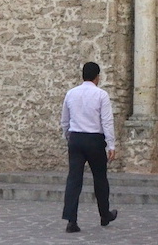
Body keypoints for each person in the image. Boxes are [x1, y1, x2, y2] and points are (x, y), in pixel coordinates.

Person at [60, 62, 118, 233]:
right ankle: (104, 214)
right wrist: (111, 144)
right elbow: (106, 121)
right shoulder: (101, 95)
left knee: (74, 179)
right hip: (94, 140)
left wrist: (68, 136)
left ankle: (71, 220)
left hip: (76, 138)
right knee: (100, 178)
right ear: (97, 77)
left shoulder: (71, 93)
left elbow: (65, 120)